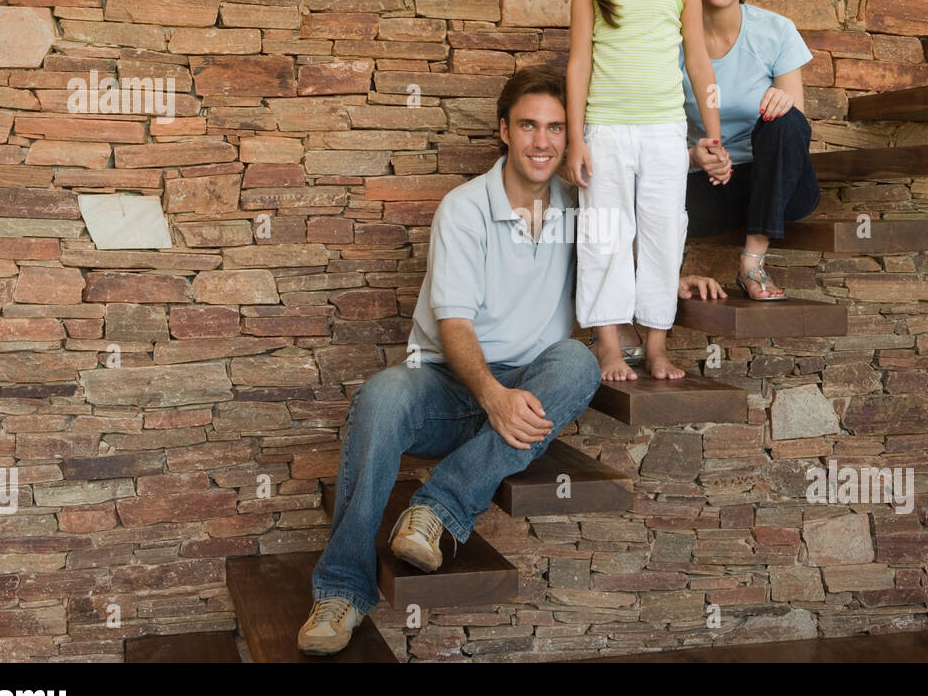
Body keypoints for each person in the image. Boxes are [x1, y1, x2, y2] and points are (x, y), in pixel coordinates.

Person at [299, 66, 725, 656]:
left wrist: (673, 281)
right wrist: (491, 397)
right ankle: (342, 588)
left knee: (576, 363)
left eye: (555, 128)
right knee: (380, 397)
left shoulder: (579, 204)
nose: (543, 141)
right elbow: (455, 325)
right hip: (449, 387)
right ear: (504, 130)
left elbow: (619, 259)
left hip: (530, 389)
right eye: (529, 126)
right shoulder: (464, 209)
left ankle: (437, 510)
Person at [566, 0, 727, 383]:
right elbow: (579, 64)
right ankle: (609, 346)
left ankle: (656, 345)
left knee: (663, 234)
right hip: (605, 131)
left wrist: (713, 131)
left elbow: (699, 64)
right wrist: (575, 140)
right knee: (604, 237)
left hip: (662, 133)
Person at [680, 0, 821, 301]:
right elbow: (656, 131)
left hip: (780, 185)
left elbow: (795, 131)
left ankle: (753, 262)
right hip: (713, 186)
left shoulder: (776, 31)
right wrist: (694, 157)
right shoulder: (667, 40)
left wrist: (783, 100)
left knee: (785, 119)